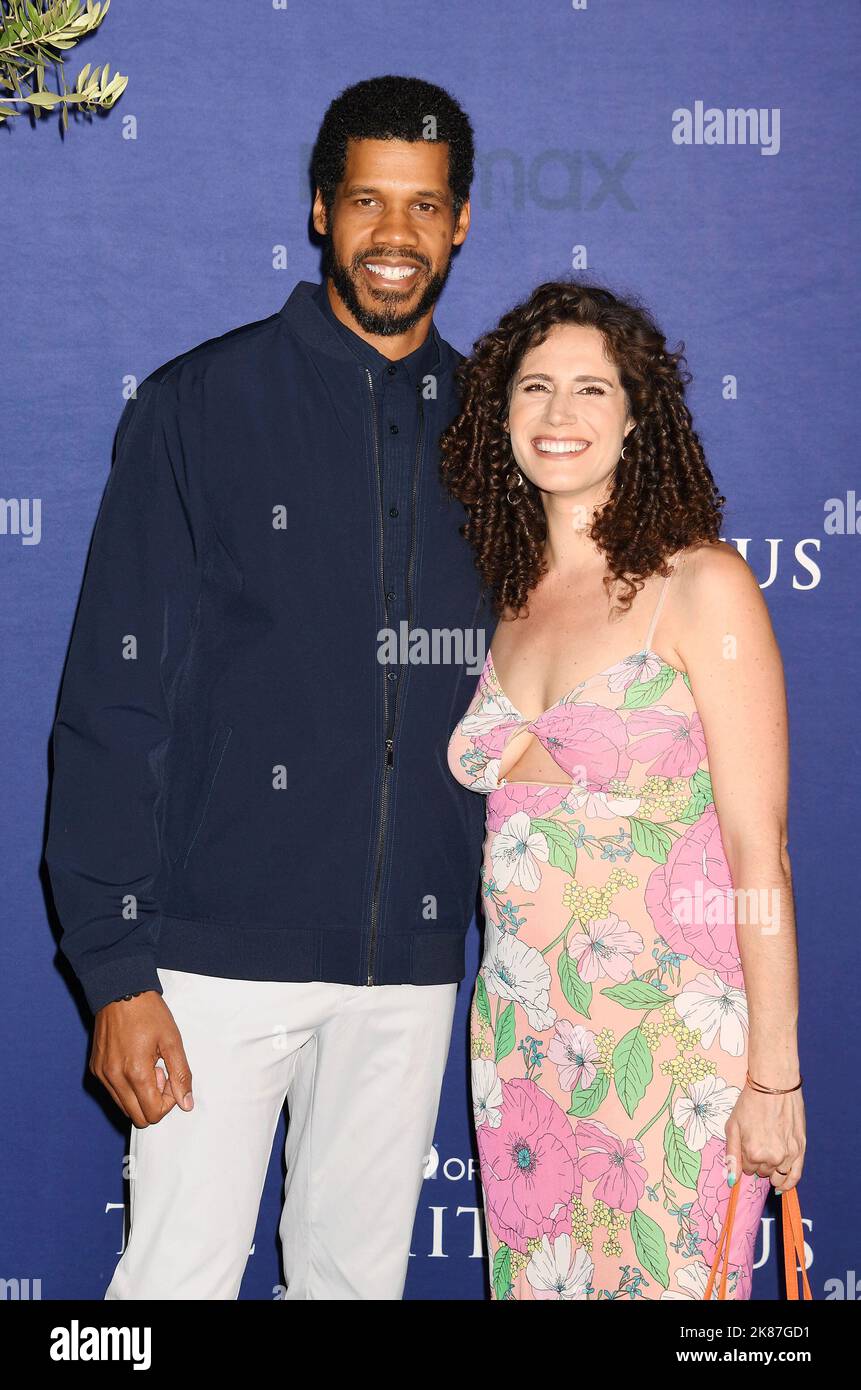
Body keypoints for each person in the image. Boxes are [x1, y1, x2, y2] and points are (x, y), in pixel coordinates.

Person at [44, 74, 497, 1301]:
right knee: (171, 1287)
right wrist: (116, 970)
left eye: (423, 206)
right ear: (319, 210)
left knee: (353, 1287)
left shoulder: (499, 431)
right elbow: (110, 699)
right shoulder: (201, 404)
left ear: (459, 223)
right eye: (366, 200)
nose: (393, 235)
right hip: (207, 964)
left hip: (408, 966)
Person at [443, 279, 805, 1301]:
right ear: (501, 412)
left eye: (592, 390)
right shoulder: (509, 595)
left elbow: (757, 849)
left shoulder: (702, 585)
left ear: (637, 415)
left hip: (675, 1048)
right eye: (535, 387)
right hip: (524, 1044)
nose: (560, 416)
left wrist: (773, 1074)